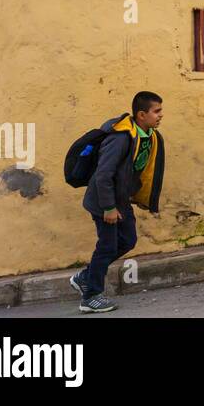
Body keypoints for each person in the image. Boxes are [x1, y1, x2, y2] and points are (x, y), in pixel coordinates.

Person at [69, 92, 165, 313]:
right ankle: (90, 296)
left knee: (128, 240)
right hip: (104, 201)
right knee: (107, 246)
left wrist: (139, 197)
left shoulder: (147, 135)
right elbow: (103, 175)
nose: (161, 115)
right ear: (142, 114)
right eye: (156, 111)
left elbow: (137, 171)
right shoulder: (120, 138)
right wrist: (109, 208)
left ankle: (86, 276)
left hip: (120, 200)